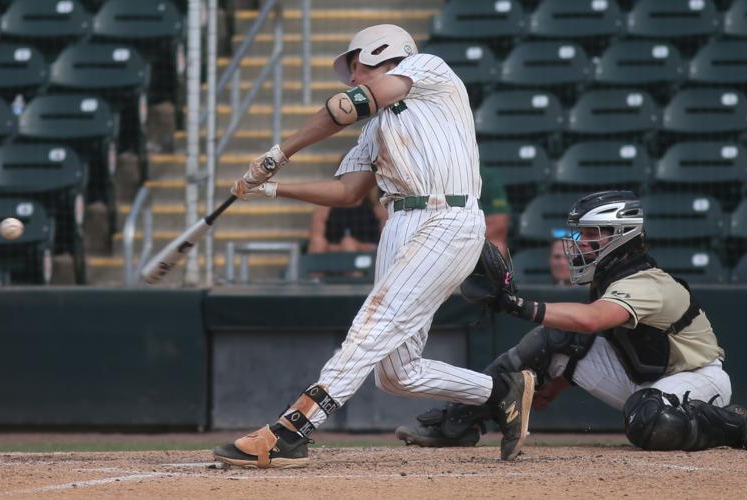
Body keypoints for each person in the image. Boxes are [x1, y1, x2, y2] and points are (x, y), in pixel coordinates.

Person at [212, 24, 535, 468]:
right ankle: (502, 391)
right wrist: (272, 189)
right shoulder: (377, 128)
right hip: (399, 222)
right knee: (396, 373)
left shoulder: (427, 69)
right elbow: (347, 191)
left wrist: (278, 154)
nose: (351, 78)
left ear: (382, 52)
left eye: (356, 65)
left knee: (373, 322)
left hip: (447, 215)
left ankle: (294, 429)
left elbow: (345, 107)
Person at [396, 191, 747, 452]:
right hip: (643, 379)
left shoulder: (648, 282)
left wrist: (517, 305)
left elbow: (596, 320)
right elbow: (586, 340)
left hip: (698, 379)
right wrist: (557, 382)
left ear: (621, 236)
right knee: (554, 337)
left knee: (649, 419)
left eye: (593, 234)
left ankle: (740, 424)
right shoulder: (609, 279)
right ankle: (458, 422)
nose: (580, 242)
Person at [307, 186, 387, 253]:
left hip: (367, 257)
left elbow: (385, 244)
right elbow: (316, 240)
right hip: (334, 255)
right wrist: (340, 247)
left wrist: (358, 246)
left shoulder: (378, 210)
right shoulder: (325, 210)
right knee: (317, 244)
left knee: (349, 246)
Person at [478, 166, 510, 256]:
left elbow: (500, 224)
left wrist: (469, 237)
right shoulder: (442, 173)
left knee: (497, 246)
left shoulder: (485, 175)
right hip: (446, 241)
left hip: (479, 240)